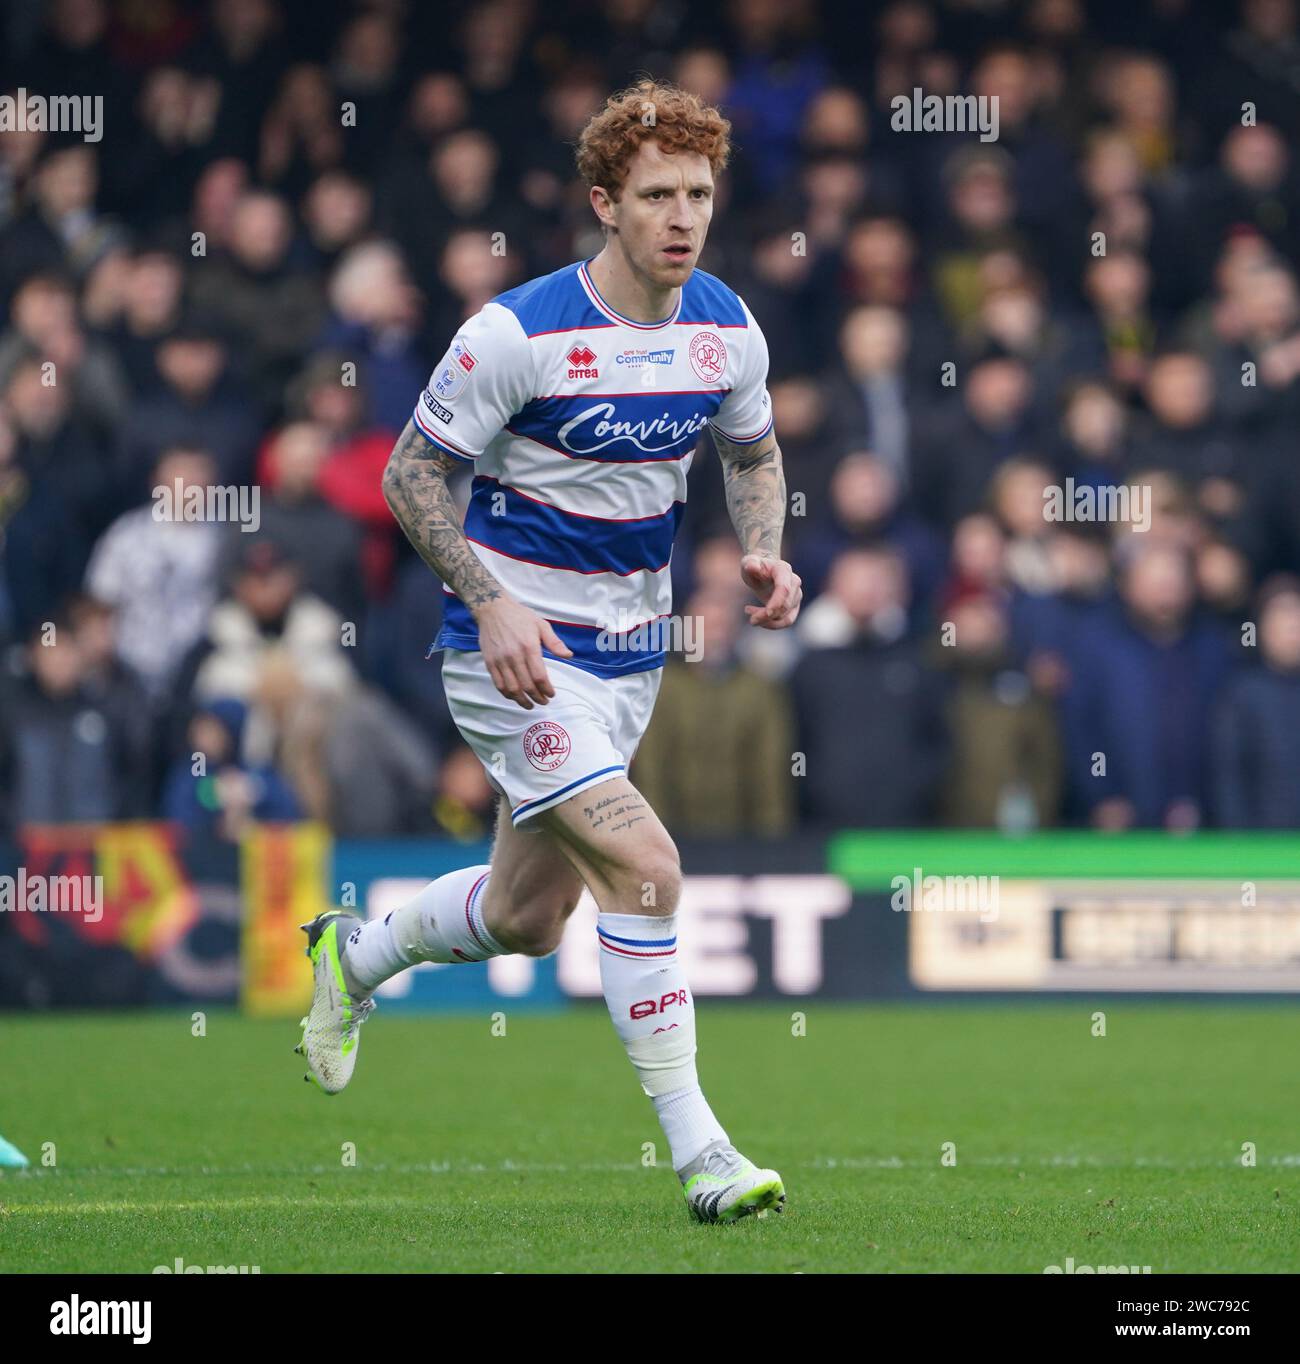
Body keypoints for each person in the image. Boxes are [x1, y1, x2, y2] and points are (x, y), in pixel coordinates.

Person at [295, 80, 801, 1224]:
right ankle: (704, 1154)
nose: (683, 216)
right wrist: (490, 600)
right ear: (604, 204)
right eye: (657, 195)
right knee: (647, 868)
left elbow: (753, 452)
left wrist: (764, 550)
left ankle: (353, 956)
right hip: (512, 656)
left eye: (699, 194)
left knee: (529, 917)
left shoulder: (726, 326)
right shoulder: (515, 334)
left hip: (628, 657)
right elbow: (410, 477)